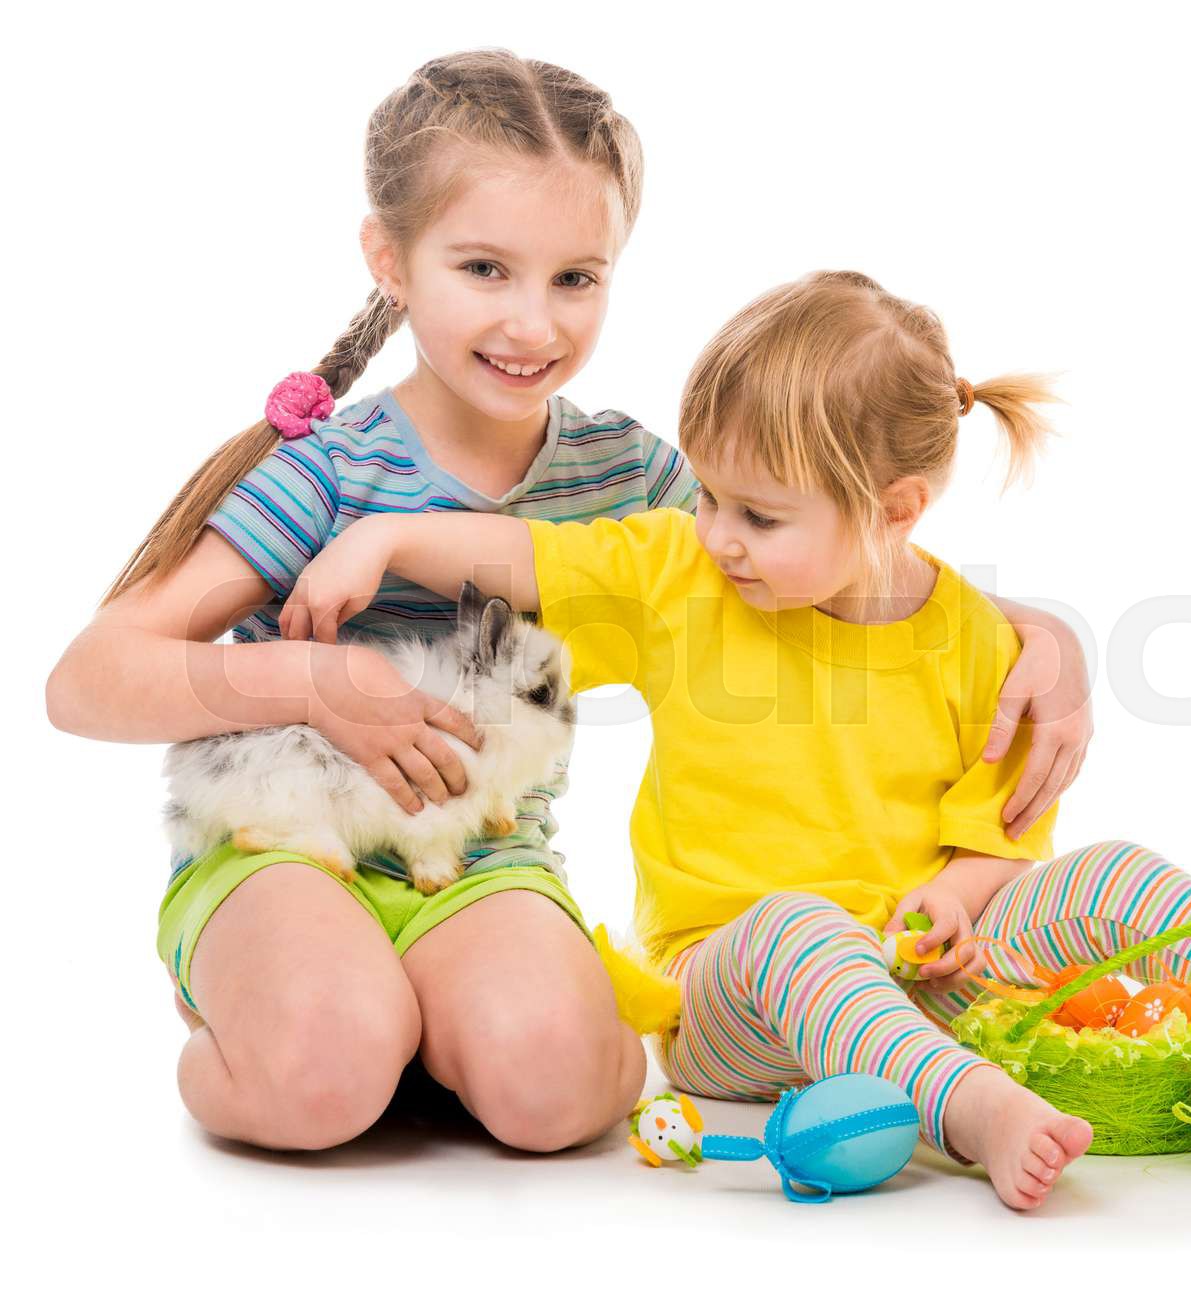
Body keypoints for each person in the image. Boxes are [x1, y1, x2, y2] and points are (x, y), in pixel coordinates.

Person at [280, 268, 1191, 1209]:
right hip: (736, 991)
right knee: (800, 921)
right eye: (714, 495)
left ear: (896, 507)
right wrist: (388, 536)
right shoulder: (678, 571)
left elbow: (997, 838)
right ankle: (978, 1110)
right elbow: (517, 552)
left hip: (927, 974)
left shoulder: (974, 641)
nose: (719, 531)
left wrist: (955, 891)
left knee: (1121, 871)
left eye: (760, 514)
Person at [43, 54, 1092, 1155]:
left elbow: (832, 561)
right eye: (485, 268)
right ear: (389, 259)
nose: (532, 324)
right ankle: (286, 1010)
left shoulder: (632, 475)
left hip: (485, 864)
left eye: (575, 278)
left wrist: (1042, 637)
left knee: (566, 1095)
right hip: (281, 846)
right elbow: (89, 680)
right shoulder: (328, 475)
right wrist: (317, 678)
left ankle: (402, 1019)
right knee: (319, 1076)